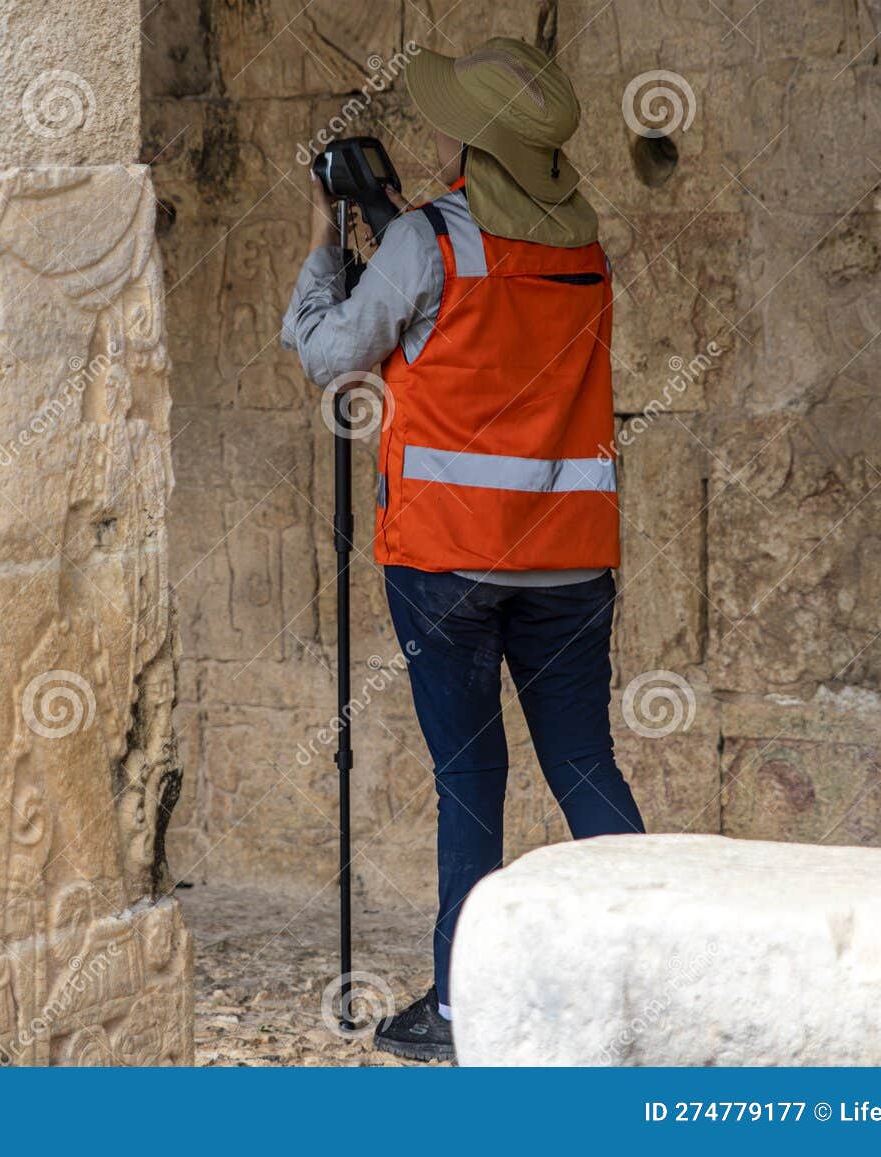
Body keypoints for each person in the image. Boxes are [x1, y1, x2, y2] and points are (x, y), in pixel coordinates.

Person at [280, 37, 645, 1062]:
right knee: (583, 759)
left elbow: (330, 349)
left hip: (446, 560)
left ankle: (458, 1005)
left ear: (472, 142)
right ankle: (665, 959)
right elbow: (490, 312)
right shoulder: (585, 244)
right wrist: (401, 231)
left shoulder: (426, 242)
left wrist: (322, 240)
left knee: (468, 776)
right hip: (570, 554)